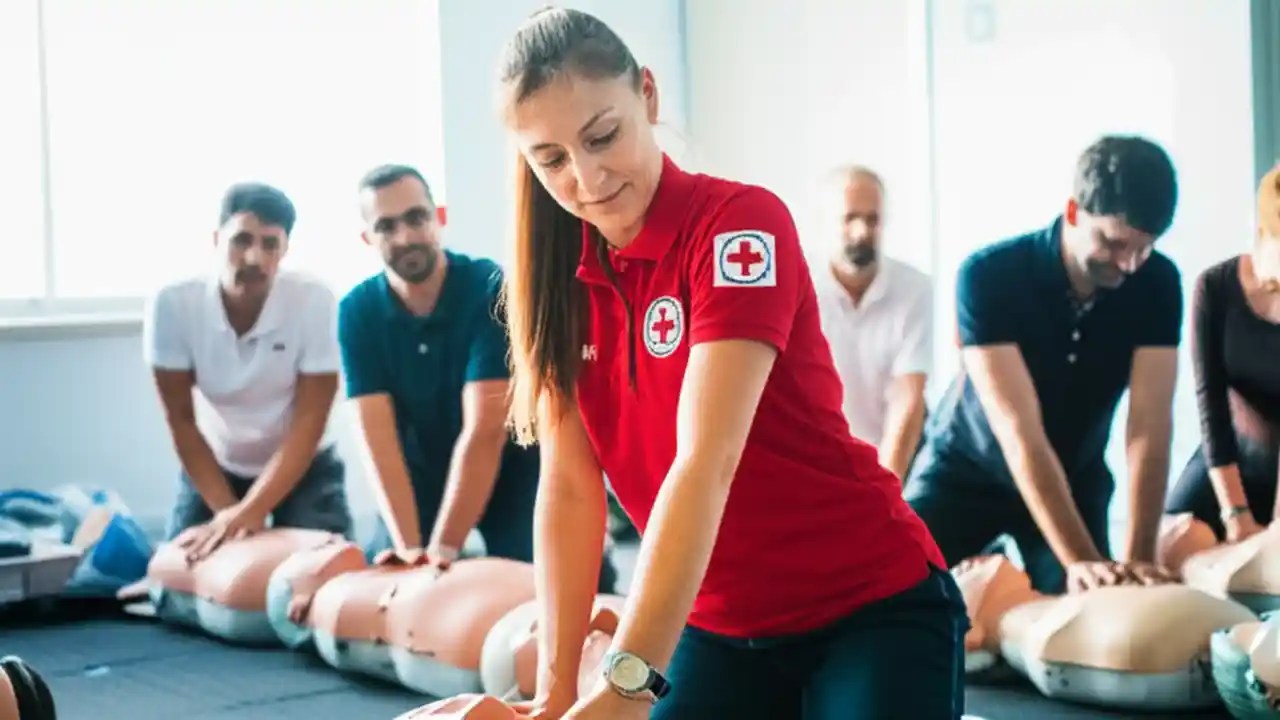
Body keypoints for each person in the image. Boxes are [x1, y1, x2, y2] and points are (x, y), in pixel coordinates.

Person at [496, 8, 966, 719]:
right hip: (717, 627)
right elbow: (566, 488)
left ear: (647, 97)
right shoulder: (554, 280)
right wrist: (555, 691)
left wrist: (625, 688)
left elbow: (705, 462)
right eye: (552, 159)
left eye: (602, 136)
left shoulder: (739, 225)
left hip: (869, 603)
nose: (586, 178)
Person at [904, 135, 1183, 595]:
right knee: (891, 582)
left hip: (1075, 479)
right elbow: (1021, 435)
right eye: (1114, 244)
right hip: (966, 469)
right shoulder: (988, 277)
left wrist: (1137, 561)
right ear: (1074, 212)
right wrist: (1082, 560)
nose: (1130, 264)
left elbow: (1149, 430)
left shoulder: (1158, 283)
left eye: (1144, 247)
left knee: (1098, 601)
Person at [337, 164, 618, 593]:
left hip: (511, 463)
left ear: (440, 217)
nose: (405, 236)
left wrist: (443, 553)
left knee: (561, 581)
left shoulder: (489, 286)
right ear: (367, 238)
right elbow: (378, 442)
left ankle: (601, 551)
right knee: (383, 571)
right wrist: (412, 551)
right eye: (386, 226)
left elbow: (484, 431)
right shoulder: (356, 310)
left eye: (416, 218)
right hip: (422, 470)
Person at [144, 182, 353, 561]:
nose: (254, 257)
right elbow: (181, 421)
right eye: (242, 240)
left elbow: (310, 420)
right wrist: (229, 515)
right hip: (217, 464)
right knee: (178, 572)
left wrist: (252, 512)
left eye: (270, 244)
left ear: (285, 250)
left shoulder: (315, 299)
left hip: (303, 464)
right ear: (216, 239)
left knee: (323, 572)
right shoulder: (173, 303)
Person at [1162, 165, 1280, 542]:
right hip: (1231, 459)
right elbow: (1209, 405)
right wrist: (1235, 513)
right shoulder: (1215, 287)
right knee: (1172, 543)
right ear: (1264, 234)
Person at [812, 165, 932, 479]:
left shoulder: (914, 288)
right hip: (818, 460)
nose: (862, 232)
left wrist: (885, 488)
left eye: (872, 219)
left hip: (893, 457)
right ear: (826, 223)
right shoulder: (799, 288)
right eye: (849, 218)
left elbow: (907, 397)